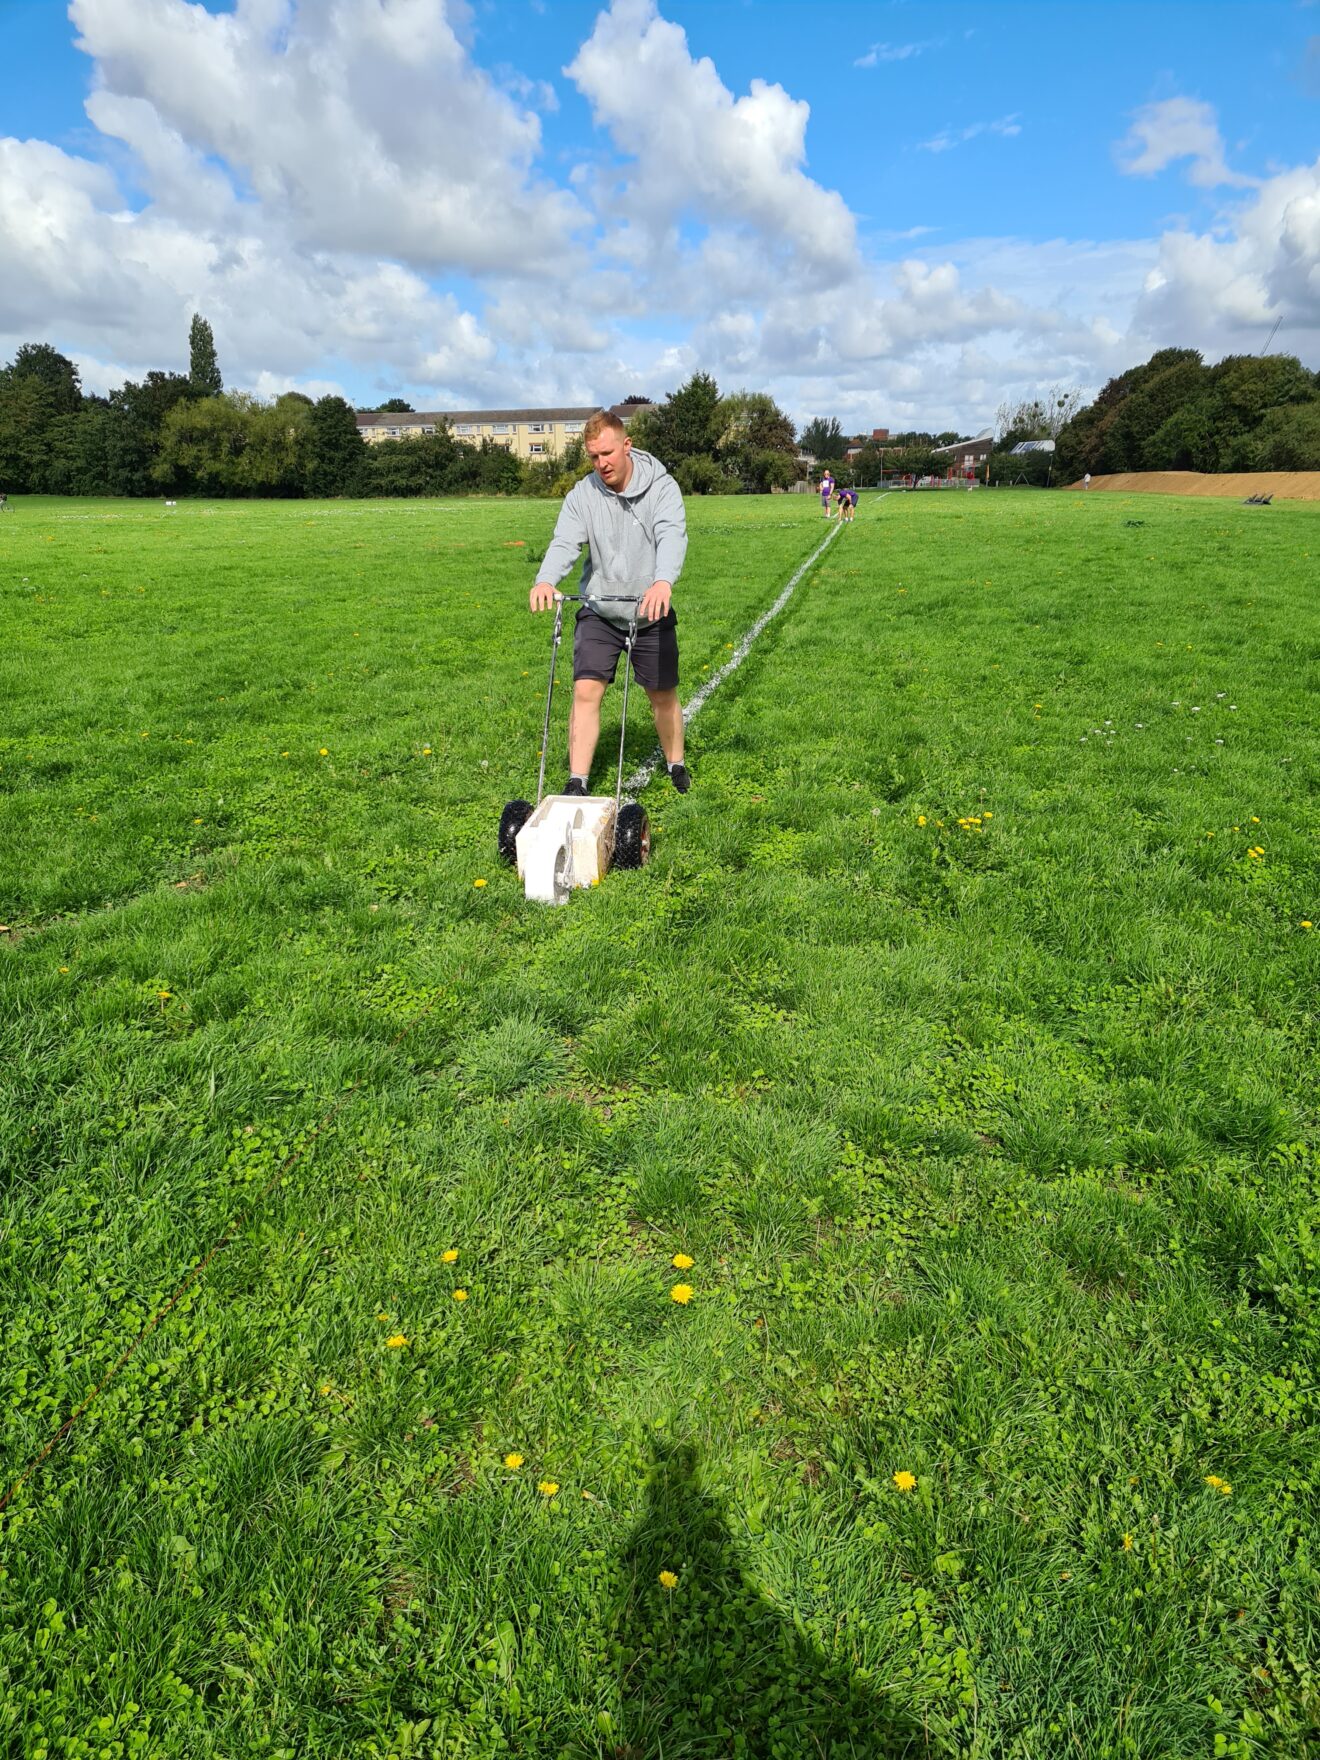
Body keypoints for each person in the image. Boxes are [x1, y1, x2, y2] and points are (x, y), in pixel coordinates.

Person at [530, 409, 690, 796]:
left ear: (627, 446)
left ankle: (676, 764)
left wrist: (663, 581)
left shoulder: (662, 488)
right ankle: (577, 780)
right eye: (593, 457)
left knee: (662, 694)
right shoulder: (583, 495)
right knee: (586, 690)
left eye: (607, 454)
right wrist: (546, 578)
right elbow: (565, 541)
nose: (601, 463)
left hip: (650, 608)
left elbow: (672, 534)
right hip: (600, 609)